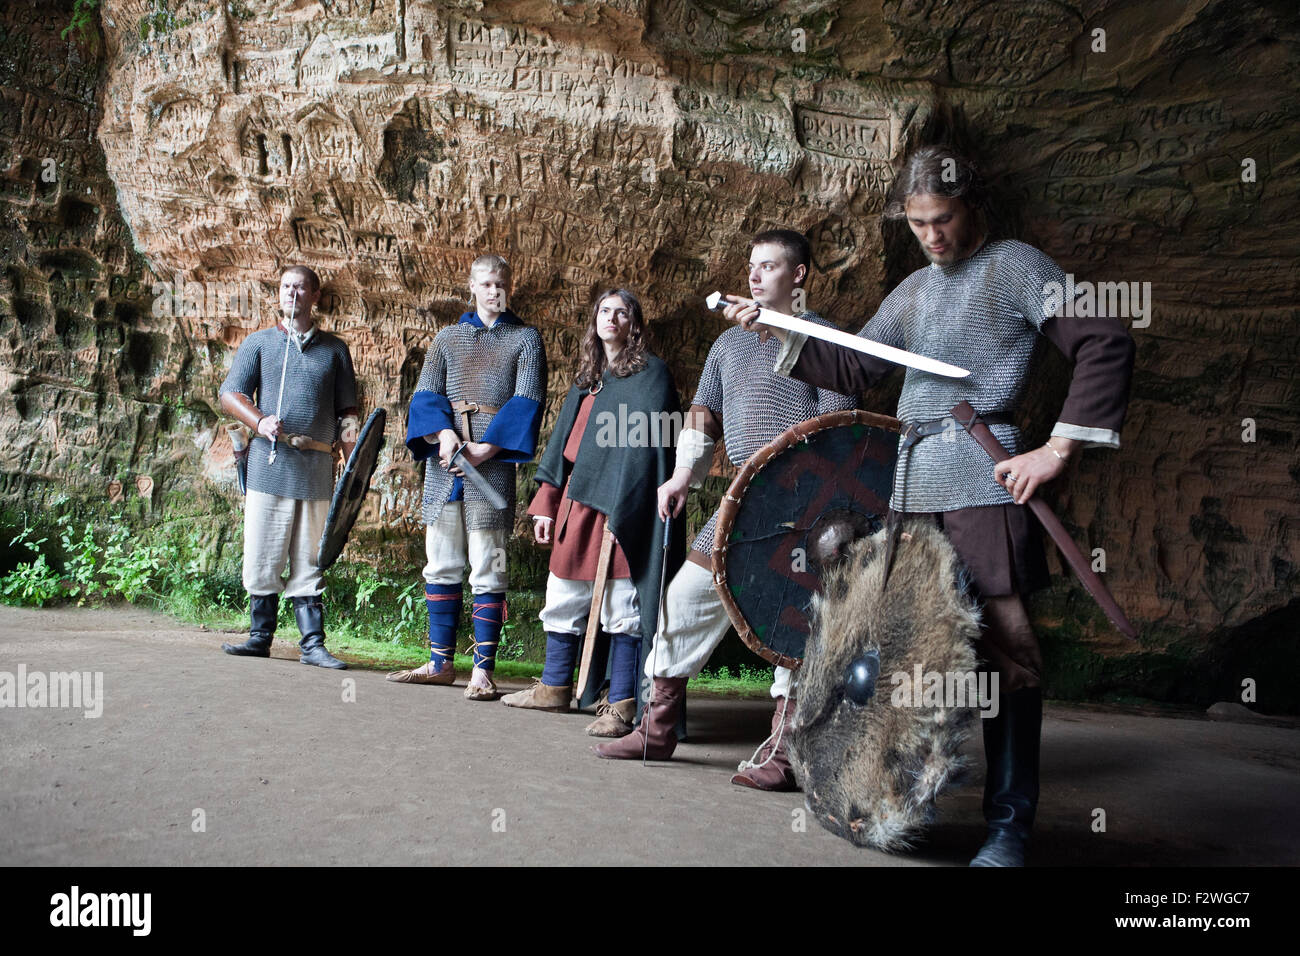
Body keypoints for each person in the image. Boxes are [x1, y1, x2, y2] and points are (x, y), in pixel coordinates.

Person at [729, 145, 1136, 865]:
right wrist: (777, 327)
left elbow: (1103, 336)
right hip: (915, 485)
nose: (932, 236)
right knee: (900, 655)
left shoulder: (1015, 266)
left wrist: (1057, 449)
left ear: (971, 206)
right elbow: (855, 365)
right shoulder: (915, 290)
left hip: (981, 476)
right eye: (917, 224)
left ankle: (1009, 827)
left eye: (941, 219)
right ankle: (882, 798)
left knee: (1010, 652)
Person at [594, 230, 857, 789]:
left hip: (805, 505)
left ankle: (786, 751)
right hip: (741, 499)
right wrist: (682, 475)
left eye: (769, 266)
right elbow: (703, 416)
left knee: (797, 623)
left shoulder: (826, 341)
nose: (755, 276)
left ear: (800, 275)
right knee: (683, 599)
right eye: (752, 267)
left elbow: (837, 433)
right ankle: (656, 727)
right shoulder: (727, 347)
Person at [502, 289, 682, 737]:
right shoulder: (587, 381)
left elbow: (654, 450)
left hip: (623, 508)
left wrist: (631, 503)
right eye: (605, 311)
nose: (612, 319)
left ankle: (621, 703)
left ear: (634, 324)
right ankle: (554, 687)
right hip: (576, 504)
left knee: (622, 607)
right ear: (595, 320)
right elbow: (561, 449)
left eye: (622, 313)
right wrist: (545, 504)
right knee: (562, 596)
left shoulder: (652, 375)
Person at [388, 254, 547, 700]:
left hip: (490, 467)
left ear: (508, 288)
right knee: (440, 562)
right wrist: (442, 434)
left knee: (488, 567)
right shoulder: (447, 339)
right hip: (446, 466)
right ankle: (440, 662)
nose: (494, 291)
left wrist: (488, 448)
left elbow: (527, 400)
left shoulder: (526, 339)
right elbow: (425, 394)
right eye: (486, 284)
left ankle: (482, 671)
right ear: (471, 288)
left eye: (501, 284)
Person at [218, 265, 359, 669]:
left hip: (315, 467)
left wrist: (352, 461)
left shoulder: (334, 350)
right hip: (270, 461)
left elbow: (348, 412)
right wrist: (260, 420)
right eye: (285, 287)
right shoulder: (259, 343)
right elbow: (230, 393)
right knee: (263, 553)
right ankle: (260, 637)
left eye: (300, 287)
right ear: (278, 294)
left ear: (315, 295)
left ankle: (312, 643)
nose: (291, 293)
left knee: (308, 557)